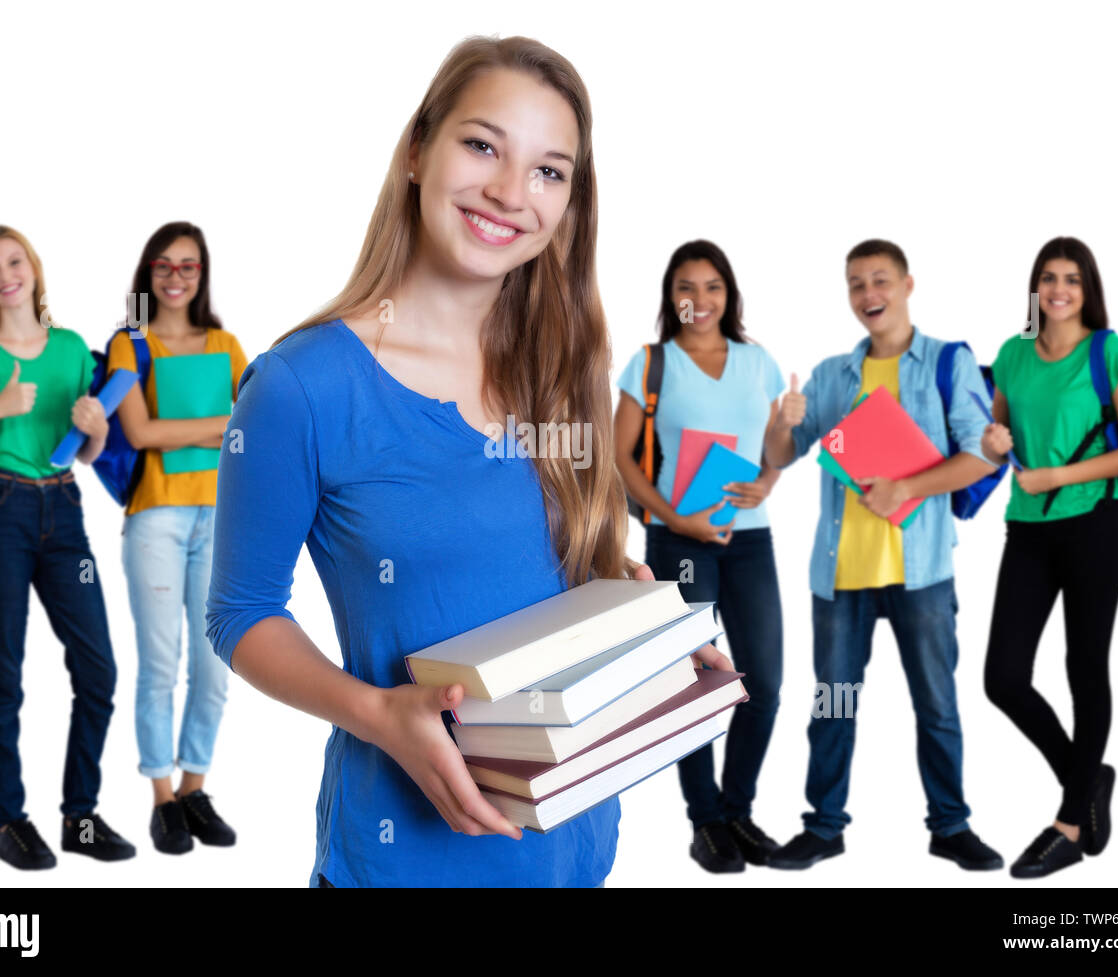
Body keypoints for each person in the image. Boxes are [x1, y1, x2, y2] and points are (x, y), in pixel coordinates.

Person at [203, 35, 730, 888]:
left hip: (575, 843)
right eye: (482, 145)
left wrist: (646, 628)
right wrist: (377, 712)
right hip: (404, 860)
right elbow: (240, 612)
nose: (508, 193)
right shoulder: (300, 386)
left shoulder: (565, 372)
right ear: (418, 149)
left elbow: (562, 578)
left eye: (548, 171)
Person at [762, 238, 1003, 871]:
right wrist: (783, 421)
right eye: (856, 284)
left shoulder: (946, 362)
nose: (868, 295)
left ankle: (951, 826)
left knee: (937, 704)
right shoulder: (830, 376)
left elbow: (983, 452)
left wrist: (910, 487)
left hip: (922, 571)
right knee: (833, 701)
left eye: (879, 281)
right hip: (842, 574)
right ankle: (823, 827)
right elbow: (783, 456)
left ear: (906, 285)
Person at [0, 224, 135, 870]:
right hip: (0, 513)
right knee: (3, 675)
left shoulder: (70, 349)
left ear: (33, 269)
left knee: (99, 670)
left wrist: (93, 432)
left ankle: (80, 816)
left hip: (64, 512)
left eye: (14, 262)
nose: (5, 275)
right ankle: (11, 819)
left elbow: (90, 452)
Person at [981, 237, 1118, 880]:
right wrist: (991, 439)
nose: (1059, 290)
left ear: (1088, 290)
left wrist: (1060, 476)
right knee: (1003, 678)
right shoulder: (1011, 355)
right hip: (1028, 531)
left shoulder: (1109, 352)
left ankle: (1070, 823)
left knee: (1085, 666)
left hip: (1095, 528)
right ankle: (1088, 781)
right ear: (1036, 288)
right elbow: (997, 440)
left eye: (1073, 280)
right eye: (1049, 278)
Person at [614, 240, 784, 874]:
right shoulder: (651, 364)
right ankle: (706, 821)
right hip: (679, 538)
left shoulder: (757, 361)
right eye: (687, 288)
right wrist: (671, 515)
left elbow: (773, 446)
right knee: (692, 679)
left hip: (750, 538)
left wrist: (770, 474)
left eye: (712, 287)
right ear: (671, 298)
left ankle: (737, 811)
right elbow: (618, 455)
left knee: (762, 681)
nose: (700, 300)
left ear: (729, 295)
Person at [107, 222, 248, 855]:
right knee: (161, 663)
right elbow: (139, 435)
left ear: (201, 274)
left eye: (187, 266)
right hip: (156, 516)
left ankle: (195, 788)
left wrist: (181, 427)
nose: (175, 276)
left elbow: (253, 427)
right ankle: (162, 798)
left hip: (221, 514)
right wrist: (215, 427)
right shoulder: (128, 345)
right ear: (148, 272)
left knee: (216, 662)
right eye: (163, 265)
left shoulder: (225, 343)